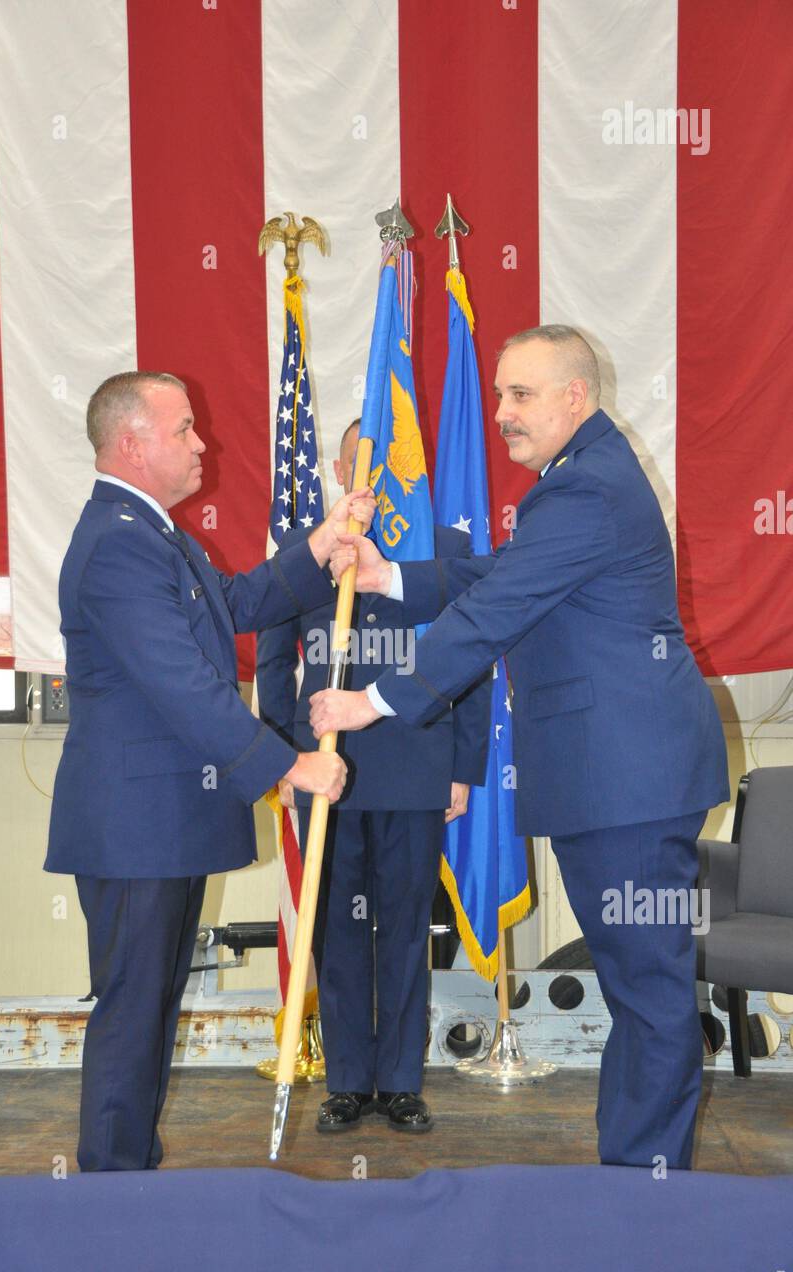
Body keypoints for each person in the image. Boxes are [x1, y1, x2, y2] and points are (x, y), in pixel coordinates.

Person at [310, 327, 730, 1170]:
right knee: (637, 989)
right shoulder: (576, 482)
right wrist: (392, 576)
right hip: (616, 776)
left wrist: (375, 700)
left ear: (575, 396)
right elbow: (503, 576)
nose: (501, 413)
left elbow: (492, 613)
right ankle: (638, 1173)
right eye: (498, 394)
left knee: (647, 993)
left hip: (629, 779)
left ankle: (649, 1195)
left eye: (521, 395)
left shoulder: (584, 490)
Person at [44, 370, 374, 1172]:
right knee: (133, 1008)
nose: (202, 443)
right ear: (132, 443)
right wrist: (287, 764)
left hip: (157, 822)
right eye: (184, 429)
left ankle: (127, 1170)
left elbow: (233, 601)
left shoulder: (150, 532)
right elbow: (180, 684)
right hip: (136, 825)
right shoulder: (122, 541)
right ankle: (113, 1188)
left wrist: (320, 546)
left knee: (149, 1004)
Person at [257, 419, 490, 1132]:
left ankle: (399, 1082)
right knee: (337, 929)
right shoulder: (305, 553)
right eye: (359, 458)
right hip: (326, 768)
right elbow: (271, 659)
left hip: (417, 760)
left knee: (401, 927)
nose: (372, 472)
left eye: (385, 460)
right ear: (334, 466)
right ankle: (347, 1081)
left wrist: (462, 766)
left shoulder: (441, 552)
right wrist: (278, 755)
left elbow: (472, 660)